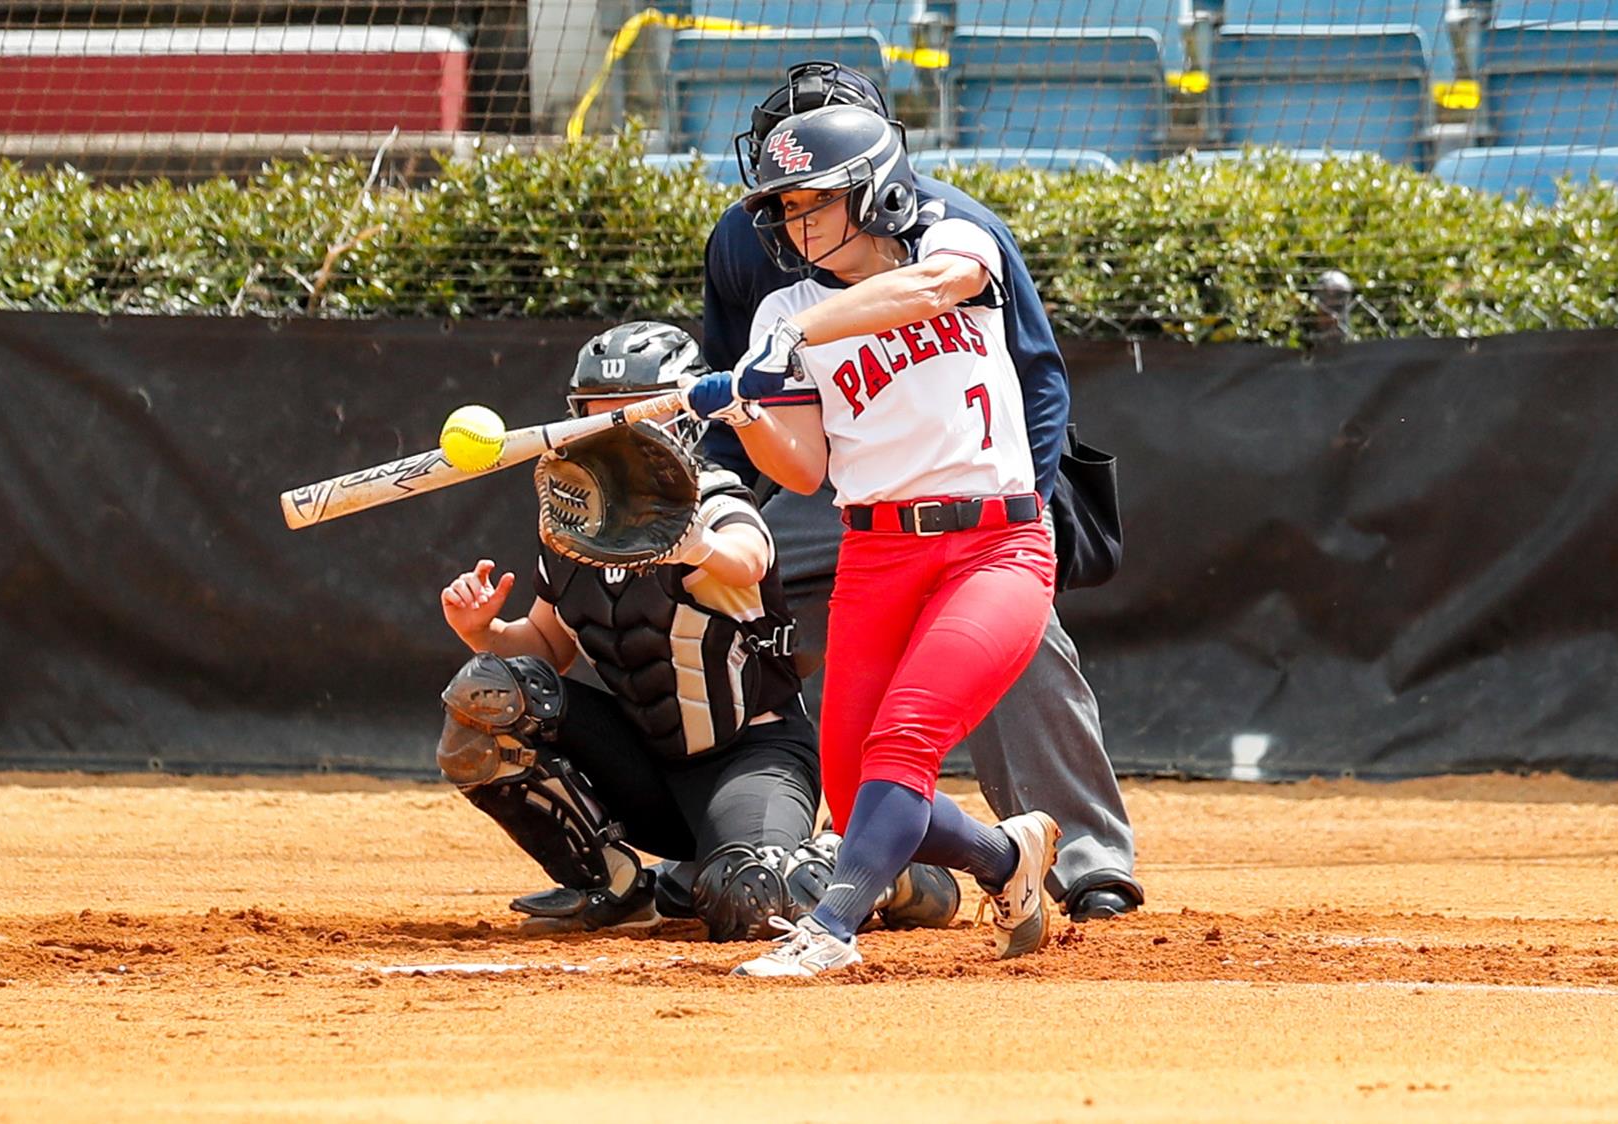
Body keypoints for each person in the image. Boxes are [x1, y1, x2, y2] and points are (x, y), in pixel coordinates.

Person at [700, 62, 1143, 924]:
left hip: (979, 473)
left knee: (1023, 644)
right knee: (708, 577)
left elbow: (1038, 374)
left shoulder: (952, 227)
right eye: (784, 190)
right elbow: (756, 402)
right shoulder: (747, 238)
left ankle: (1084, 863)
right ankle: (776, 843)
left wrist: (1021, 503)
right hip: (842, 489)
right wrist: (722, 500)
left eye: (816, 187)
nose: (796, 208)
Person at [434, 321, 956, 940]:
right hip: (642, 766)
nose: (607, 434)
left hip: (749, 758)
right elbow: (547, 647)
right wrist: (484, 630)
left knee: (752, 901)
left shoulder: (712, 501)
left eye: (628, 415)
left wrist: (694, 544)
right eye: (595, 416)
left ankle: (881, 868)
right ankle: (613, 886)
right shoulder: (573, 521)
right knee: (487, 690)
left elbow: (749, 556)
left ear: (678, 419)